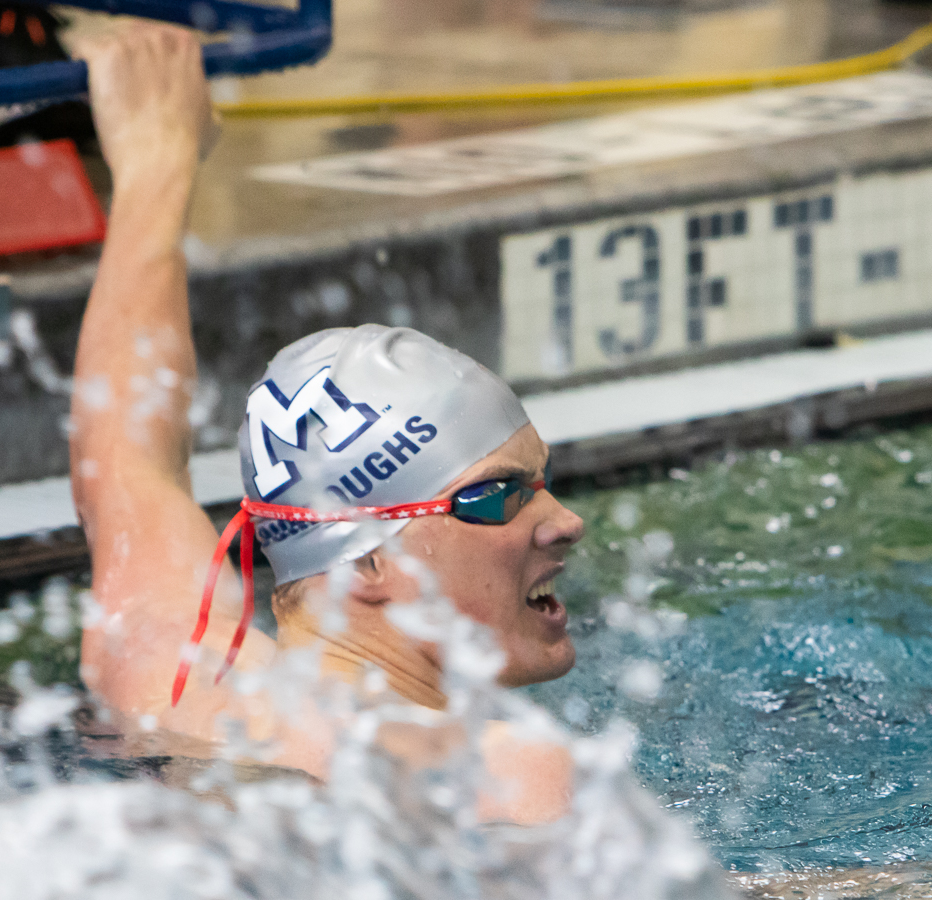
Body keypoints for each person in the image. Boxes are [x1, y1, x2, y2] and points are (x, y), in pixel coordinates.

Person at [69, 23, 584, 825]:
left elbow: (123, 457)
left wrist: (153, 159)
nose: (565, 520)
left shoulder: (165, 673)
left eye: (542, 482)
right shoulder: (507, 777)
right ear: (364, 565)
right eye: (497, 497)